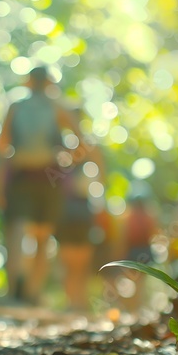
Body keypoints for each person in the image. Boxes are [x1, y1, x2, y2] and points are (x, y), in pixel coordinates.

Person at [0, 66, 79, 305]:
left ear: (29, 81)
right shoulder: (58, 106)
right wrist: (66, 158)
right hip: (49, 177)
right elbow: (82, 141)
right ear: (49, 82)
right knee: (43, 237)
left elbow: (1, 146)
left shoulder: (16, 106)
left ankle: (13, 292)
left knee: (16, 233)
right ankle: (32, 292)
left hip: (21, 175)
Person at [55, 114, 106, 312]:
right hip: (80, 213)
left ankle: (75, 304)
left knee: (71, 264)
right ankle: (77, 304)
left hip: (70, 213)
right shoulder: (89, 151)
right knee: (79, 265)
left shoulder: (63, 149)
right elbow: (101, 177)